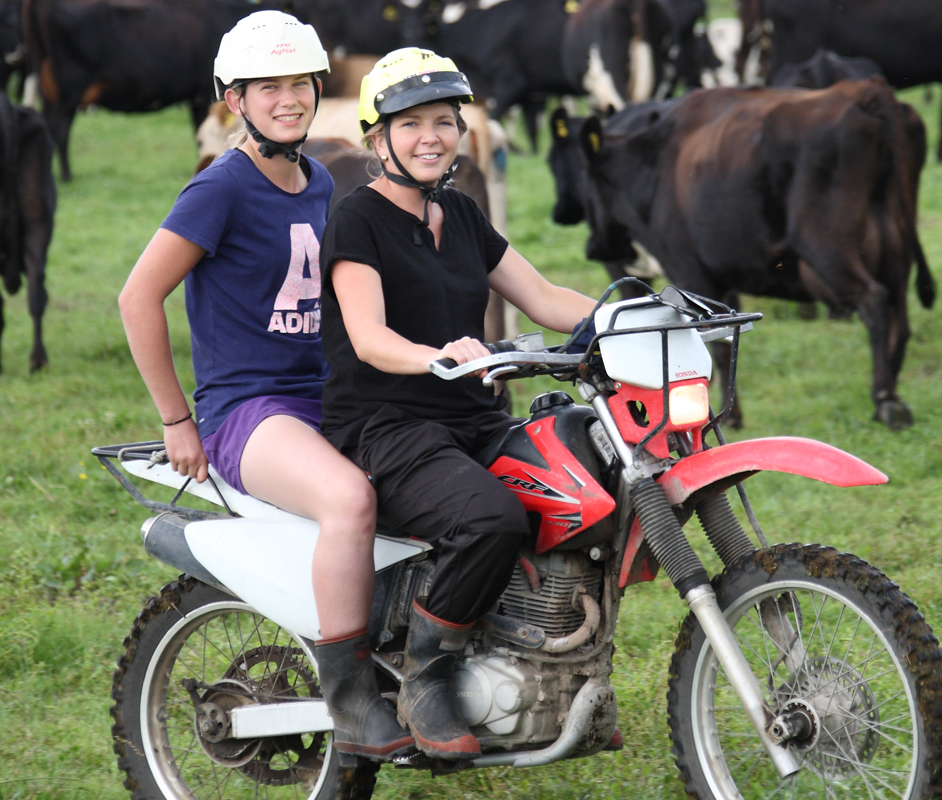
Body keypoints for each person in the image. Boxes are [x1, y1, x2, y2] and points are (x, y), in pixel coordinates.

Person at [118, 11, 413, 762]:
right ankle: (349, 695)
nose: (288, 99)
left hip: (331, 397)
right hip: (249, 410)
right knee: (350, 500)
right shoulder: (220, 189)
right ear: (233, 101)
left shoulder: (321, 181)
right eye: (268, 87)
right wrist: (177, 419)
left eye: (300, 84)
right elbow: (136, 297)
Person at [320, 48, 599, 761]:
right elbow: (370, 337)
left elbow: (542, 298)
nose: (430, 137)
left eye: (443, 122)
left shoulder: (463, 214)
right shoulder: (358, 220)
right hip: (388, 425)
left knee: (581, 485)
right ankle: (427, 674)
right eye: (410, 124)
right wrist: (440, 355)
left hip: (474, 420)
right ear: (377, 138)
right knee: (489, 518)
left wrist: (633, 315)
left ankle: (551, 669)